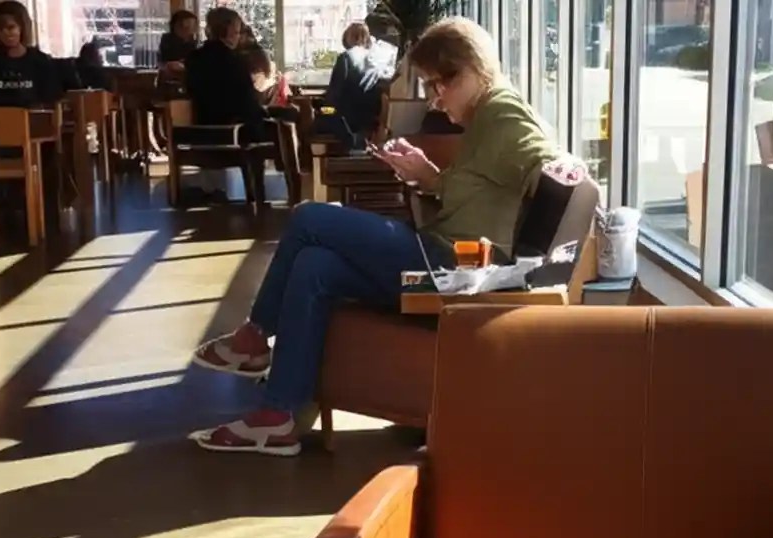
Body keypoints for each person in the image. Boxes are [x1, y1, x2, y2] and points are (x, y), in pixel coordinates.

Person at [188, 17, 559, 456]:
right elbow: (482, 190)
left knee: (309, 219)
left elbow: (555, 170)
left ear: (474, 69)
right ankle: (278, 415)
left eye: (443, 83)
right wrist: (428, 176)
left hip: (450, 269)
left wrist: (534, 262)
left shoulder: (503, 112)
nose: (436, 97)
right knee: (314, 265)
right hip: (441, 258)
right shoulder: (485, 117)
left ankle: (254, 337)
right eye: (431, 85)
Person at [185, 7, 266, 135]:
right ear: (229, 31)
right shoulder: (235, 61)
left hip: (203, 125)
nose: (238, 36)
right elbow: (247, 101)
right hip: (236, 129)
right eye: (237, 32)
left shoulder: (194, 58)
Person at [0, 0, 60, 107]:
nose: (5, 32)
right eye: (0, 28)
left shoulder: (41, 62)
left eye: (11, 27)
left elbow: (50, 103)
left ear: (22, 27)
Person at [323, 22, 383, 140]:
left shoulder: (345, 58)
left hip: (344, 118)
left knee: (311, 116)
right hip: (368, 118)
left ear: (348, 37)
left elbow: (334, 95)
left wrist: (322, 108)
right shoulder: (376, 60)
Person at [158, 9, 196, 81]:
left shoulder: (192, 41)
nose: (193, 29)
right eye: (190, 25)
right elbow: (163, 62)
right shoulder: (168, 40)